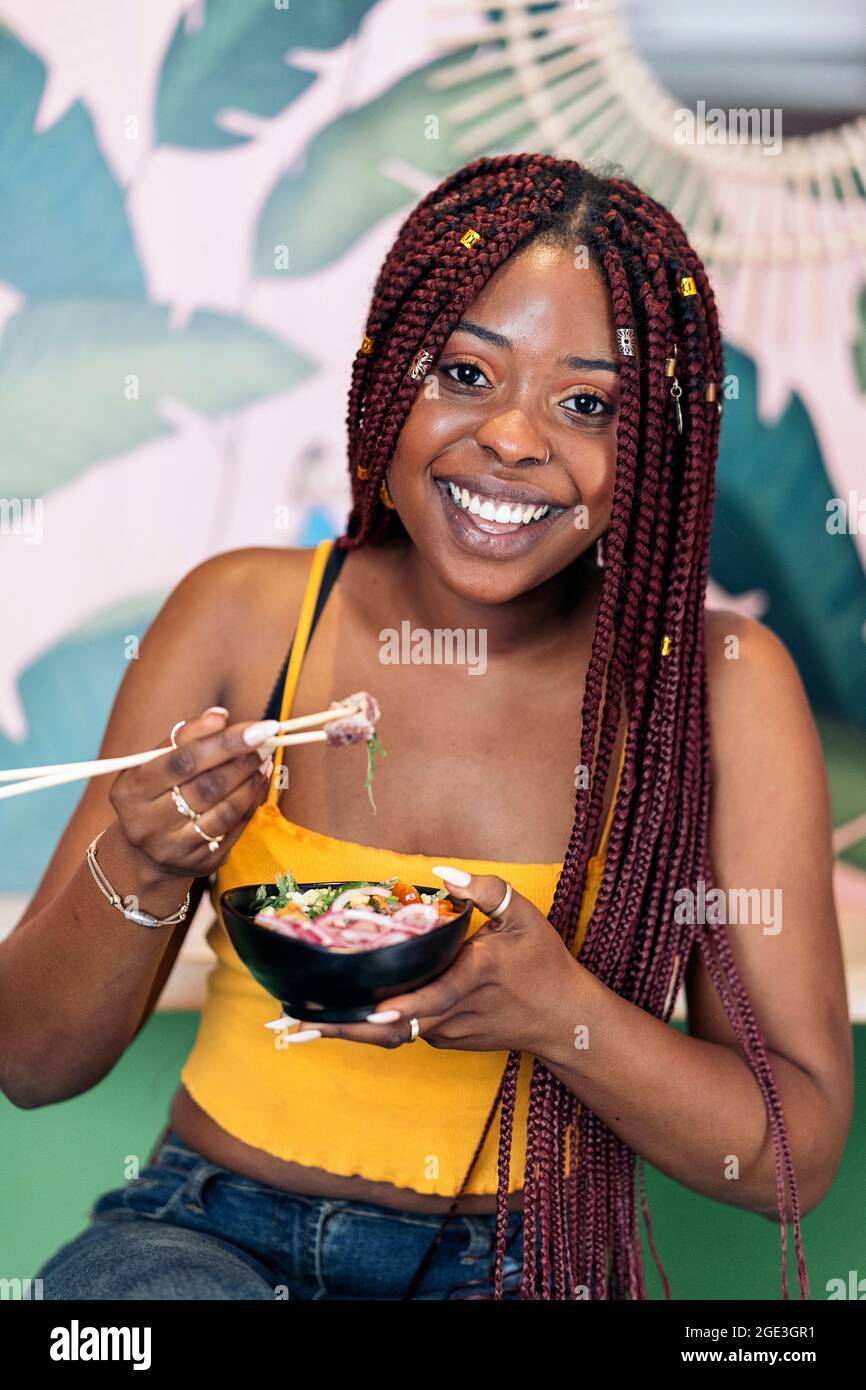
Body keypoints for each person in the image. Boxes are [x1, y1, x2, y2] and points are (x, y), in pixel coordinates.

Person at [6, 154, 850, 1300]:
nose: (510, 439)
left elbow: (784, 1158)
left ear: (651, 449)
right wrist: (141, 861)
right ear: (385, 384)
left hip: (526, 1262)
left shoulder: (720, 685)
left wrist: (559, 1015)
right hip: (202, 1236)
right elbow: (32, 1062)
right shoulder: (246, 616)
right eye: (464, 371)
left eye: (588, 404)